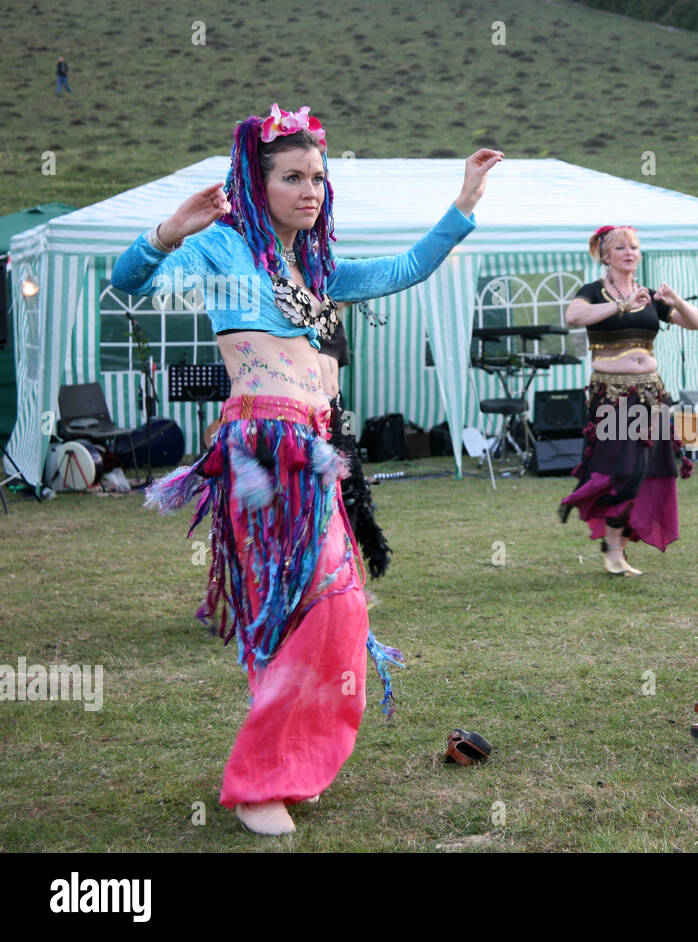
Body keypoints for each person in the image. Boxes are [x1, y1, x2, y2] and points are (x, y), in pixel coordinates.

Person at [111, 102, 502, 834]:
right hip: (261, 452)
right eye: (293, 177)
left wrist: (463, 205)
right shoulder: (224, 249)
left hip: (317, 453)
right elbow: (128, 279)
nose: (310, 189)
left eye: (318, 177)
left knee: (327, 607)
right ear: (257, 185)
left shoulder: (315, 269)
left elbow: (406, 267)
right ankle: (261, 783)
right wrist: (170, 231)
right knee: (301, 610)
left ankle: (291, 759)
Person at [559, 226, 698, 575]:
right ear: (606, 255)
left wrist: (675, 300)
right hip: (612, 395)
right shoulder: (593, 292)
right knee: (620, 469)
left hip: (650, 393)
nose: (629, 252)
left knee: (648, 471)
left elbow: (697, 323)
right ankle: (610, 545)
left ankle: (618, 550)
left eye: (634, 247)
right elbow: (573, 317)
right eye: (621, 247)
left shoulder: (650, 296)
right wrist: (621, 307)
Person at [318, 311, 392, 580]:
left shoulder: (330, 317)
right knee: (317, 497)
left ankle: (345, 570)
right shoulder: (288, 312)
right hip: (306, 414)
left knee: (353, 493)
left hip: (336, 412)